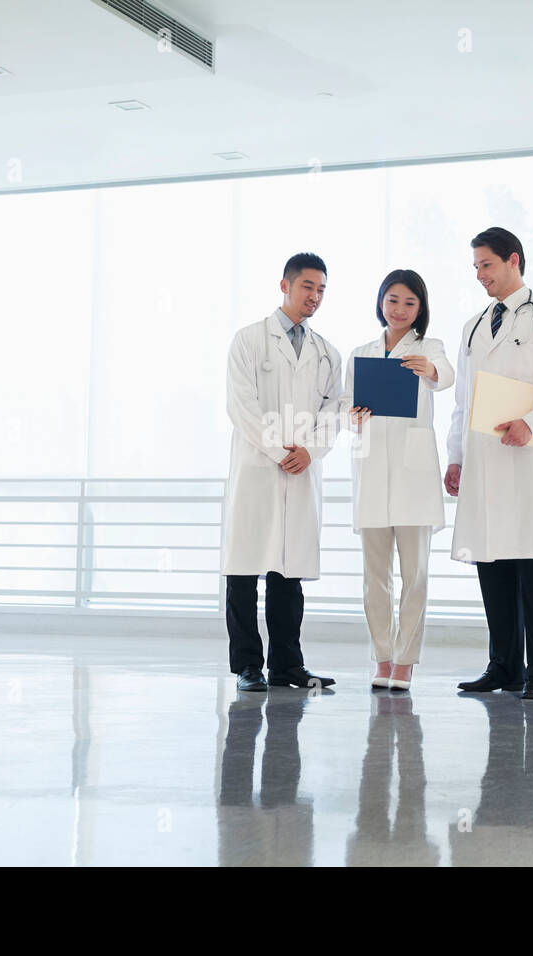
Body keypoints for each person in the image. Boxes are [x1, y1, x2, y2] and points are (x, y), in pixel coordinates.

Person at [445, 227, 533, 700]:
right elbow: (463, 401)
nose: (480, 275)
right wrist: (457, 457)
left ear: (513, 261)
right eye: (475, 268)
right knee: (494, 564)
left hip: (531, 458)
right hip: (485, 461)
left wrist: (532, 420)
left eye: (486, 265)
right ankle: (503, 666)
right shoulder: (472, 325)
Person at [220, 253, 343, 692]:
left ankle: (288, 666)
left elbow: (335, 409)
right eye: (308, 287)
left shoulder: (327, 352)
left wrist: (311, 450)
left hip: (301, 472)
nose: (315, 296)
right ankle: (248, 667)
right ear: (285, 286)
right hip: (258, 469)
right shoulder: (250, 340)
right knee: (244, 571)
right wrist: (279, 450)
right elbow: (241, 406)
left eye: (322, 289)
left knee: (288, 577)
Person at [341, 269, 454, 691]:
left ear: (420, 308)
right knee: (374, 576)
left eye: (409, 302)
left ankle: (406, 661)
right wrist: (351, 417)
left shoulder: (430, 348)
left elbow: (447, 377)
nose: (400, 309)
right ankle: (383, 657)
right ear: (380, 302)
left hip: (413, 476)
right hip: (372, 473)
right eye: (393, 300)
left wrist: (429, 369)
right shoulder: (361, 352)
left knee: (415, 574)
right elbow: (346, 406)